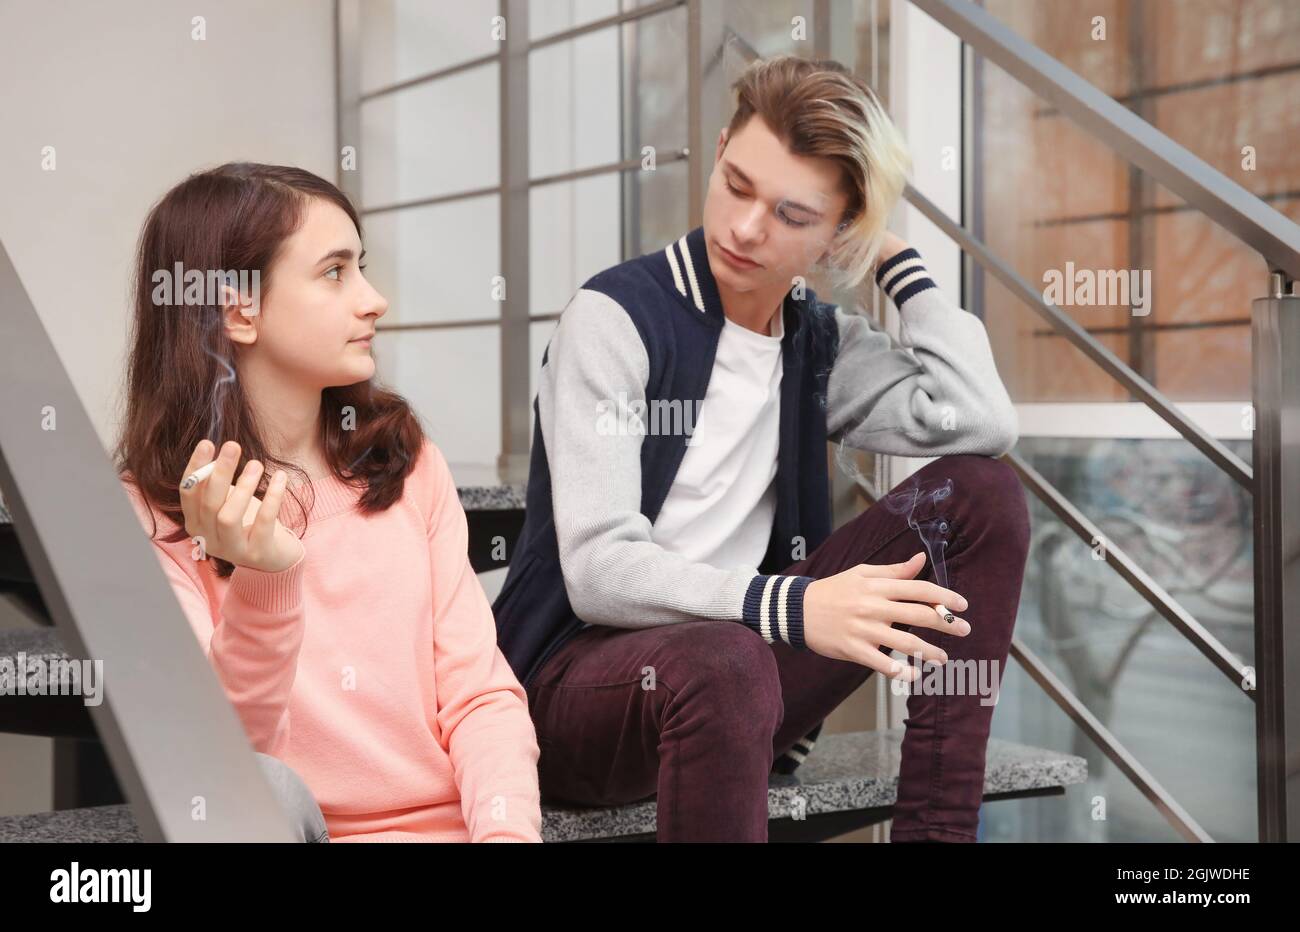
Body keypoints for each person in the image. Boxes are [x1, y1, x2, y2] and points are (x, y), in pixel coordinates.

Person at [492, 55, 1030, 842]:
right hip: (578, 695)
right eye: (737, 184)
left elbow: (980, 420)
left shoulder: (818, 344)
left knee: (980, 497)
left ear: (840, 231)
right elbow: (599, 573)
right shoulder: (616, 318)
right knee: (726, 657)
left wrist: (898, 264)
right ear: (716, 153)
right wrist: (795, 606)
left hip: (740, 683)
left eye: (793, 215)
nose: (745, 227)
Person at [115, 163, 542, 843]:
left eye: (361, 267)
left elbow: (481, 698)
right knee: (263, 786)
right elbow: (222, 769)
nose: (375, 300)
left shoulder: (406, 464)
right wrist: (269, 579)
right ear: (238, 309)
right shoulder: (160, 512)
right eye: (335, 272)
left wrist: (506, 836)